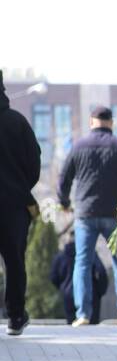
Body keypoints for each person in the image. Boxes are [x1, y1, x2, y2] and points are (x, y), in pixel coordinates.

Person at [58, 105, 117, 325]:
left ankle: (83, 314)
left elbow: (64, 178)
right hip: (113, 213)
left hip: (85, 213)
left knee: (83, 262)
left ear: (91, 122)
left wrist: (64, 203)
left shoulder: (78, 146)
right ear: (111, 122)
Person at [0, 72, 41, 335]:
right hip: (14, 205)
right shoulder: (17, 122)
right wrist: (20, 187)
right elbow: (34, 161)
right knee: (14, 261)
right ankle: (15, 317)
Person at [51, 237, 108, 324]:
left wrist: (63, 288)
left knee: (72, 328)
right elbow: (101, 273)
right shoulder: (91, 254)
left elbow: (54, 277)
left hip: (68, 296)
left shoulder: (61, 256)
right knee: (92, 328)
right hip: (91, 295)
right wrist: (99, 292)